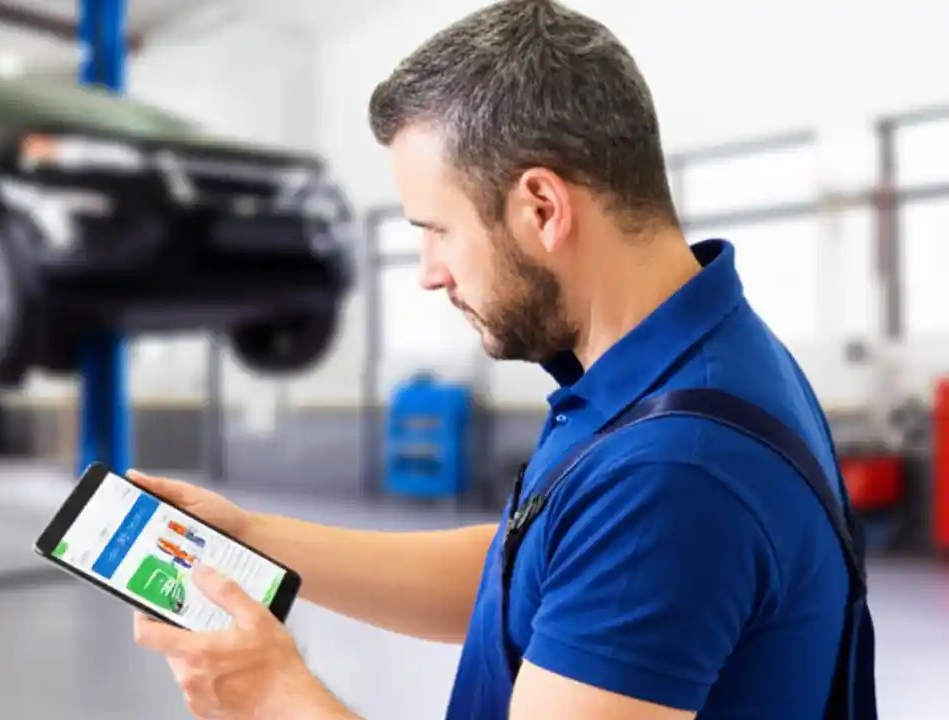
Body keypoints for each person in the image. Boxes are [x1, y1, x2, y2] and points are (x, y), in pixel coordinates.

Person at [130, 1, 873, 718]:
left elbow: (622, 539)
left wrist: (273, 700)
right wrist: (251, 542)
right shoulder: (686, 360)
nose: (429, 270)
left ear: (543, 207)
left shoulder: (671, 471)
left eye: (437, 229)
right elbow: (546, 574)